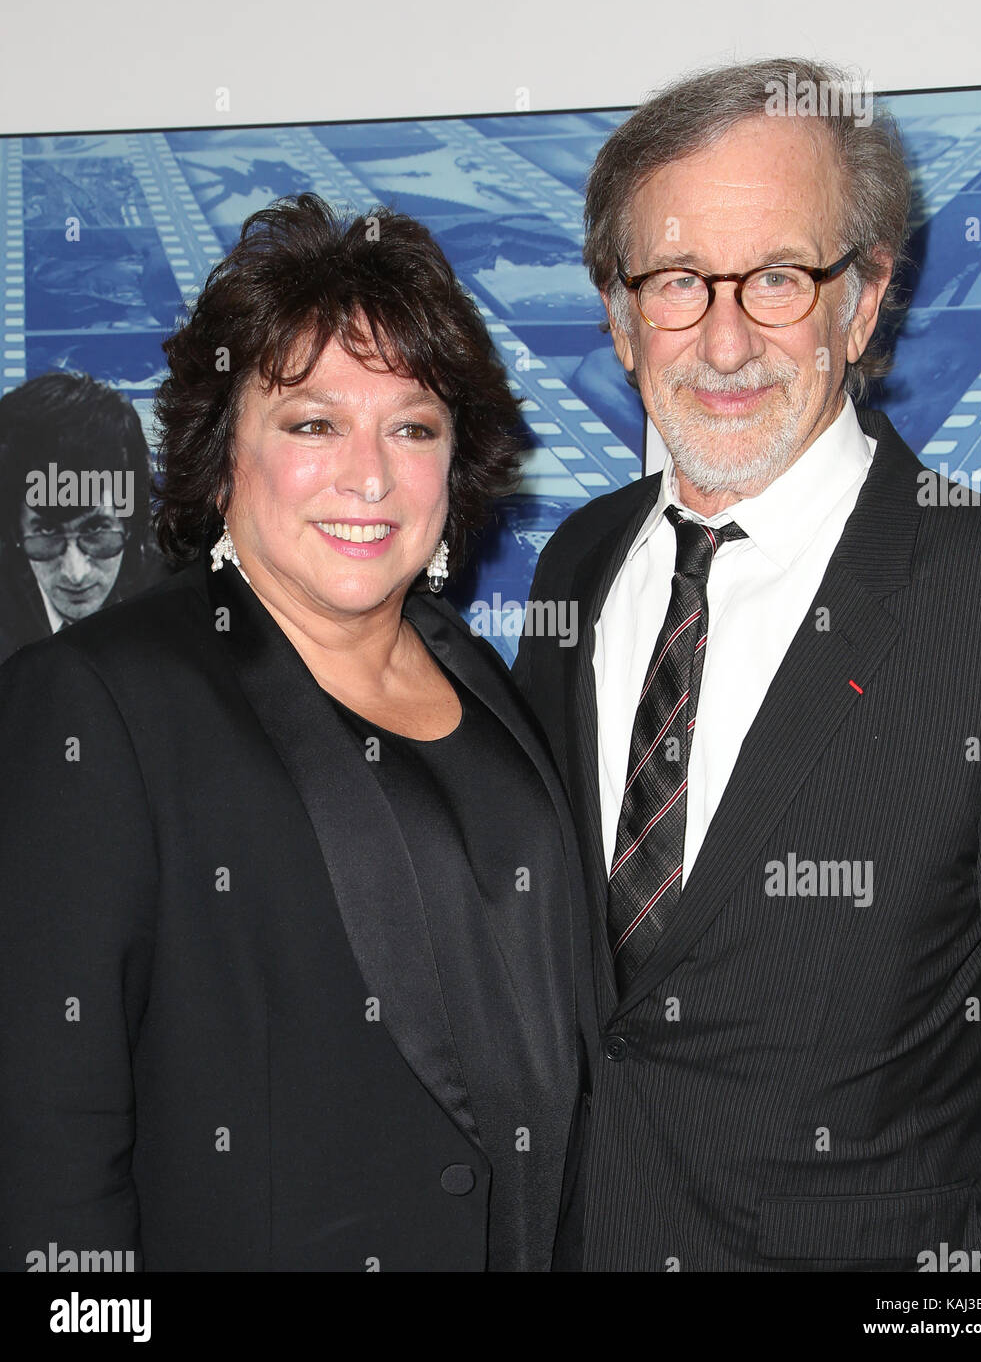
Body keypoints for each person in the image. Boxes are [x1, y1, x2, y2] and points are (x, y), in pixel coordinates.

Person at [513, 57, 981, 1272]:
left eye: (775, 278)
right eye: (677, 281)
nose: (724, 339)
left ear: (864, 302)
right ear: (616, 312)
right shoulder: (577, 562)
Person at [0, 194, 595, 1273]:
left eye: (411, 425)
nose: (369, 475)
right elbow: (45, 1139)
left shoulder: (484, 674)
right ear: (226, 455)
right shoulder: (102, 699)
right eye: (313, 423)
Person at [0, 371, 168, 663]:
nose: (75, 573)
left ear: (130, 523)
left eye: (97, 529)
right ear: (14, 530)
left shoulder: (177, 589)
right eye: (47, 533)